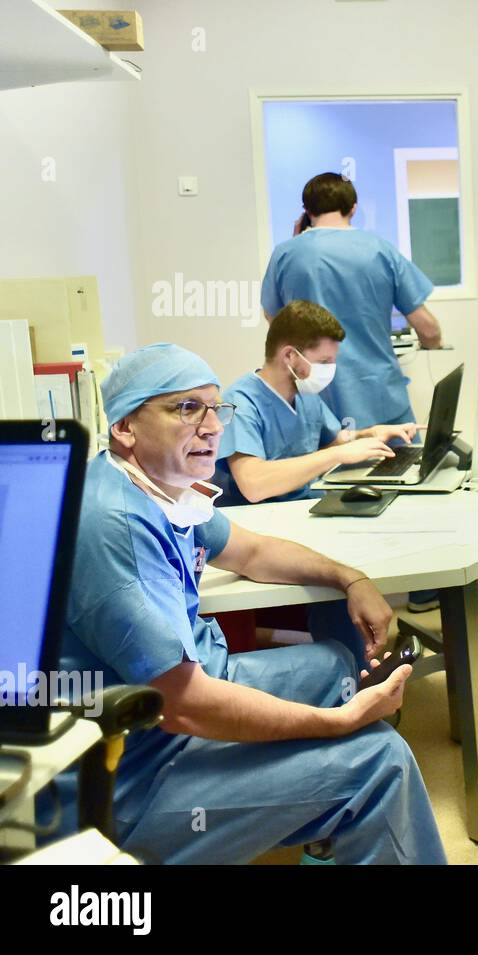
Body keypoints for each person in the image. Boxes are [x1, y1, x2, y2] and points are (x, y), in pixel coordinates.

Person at [50, 343, 446, 864]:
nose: (212, 426)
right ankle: (344, 796)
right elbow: (184, 705)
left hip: (171, 710)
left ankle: (327, 821)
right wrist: (338, 724)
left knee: (335, 664)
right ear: (125, 426)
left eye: (216, 408)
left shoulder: (160, 488)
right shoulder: (113, 526)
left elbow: (253, 552)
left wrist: (351, 579)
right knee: (380, 760)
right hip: (125, 779)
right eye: (186, 408)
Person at [261, 171, 443, 429]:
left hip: (315, 394)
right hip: (378, 395)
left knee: (322, 465)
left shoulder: (286, 253)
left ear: (306, 211)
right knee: (399, 464)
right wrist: (432, 342)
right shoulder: (380, 250)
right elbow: (428, 328)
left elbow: (274, 320)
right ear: (353, 208)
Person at [215, 299, 421, 506]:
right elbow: (253, 485)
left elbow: (330, 440)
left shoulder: (304, 392)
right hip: (260, 518)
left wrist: (369, 434)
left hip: (305, 504)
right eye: (324, 362)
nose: (331, 369)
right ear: (289, 356)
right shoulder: (241, 403)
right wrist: (338, 454)